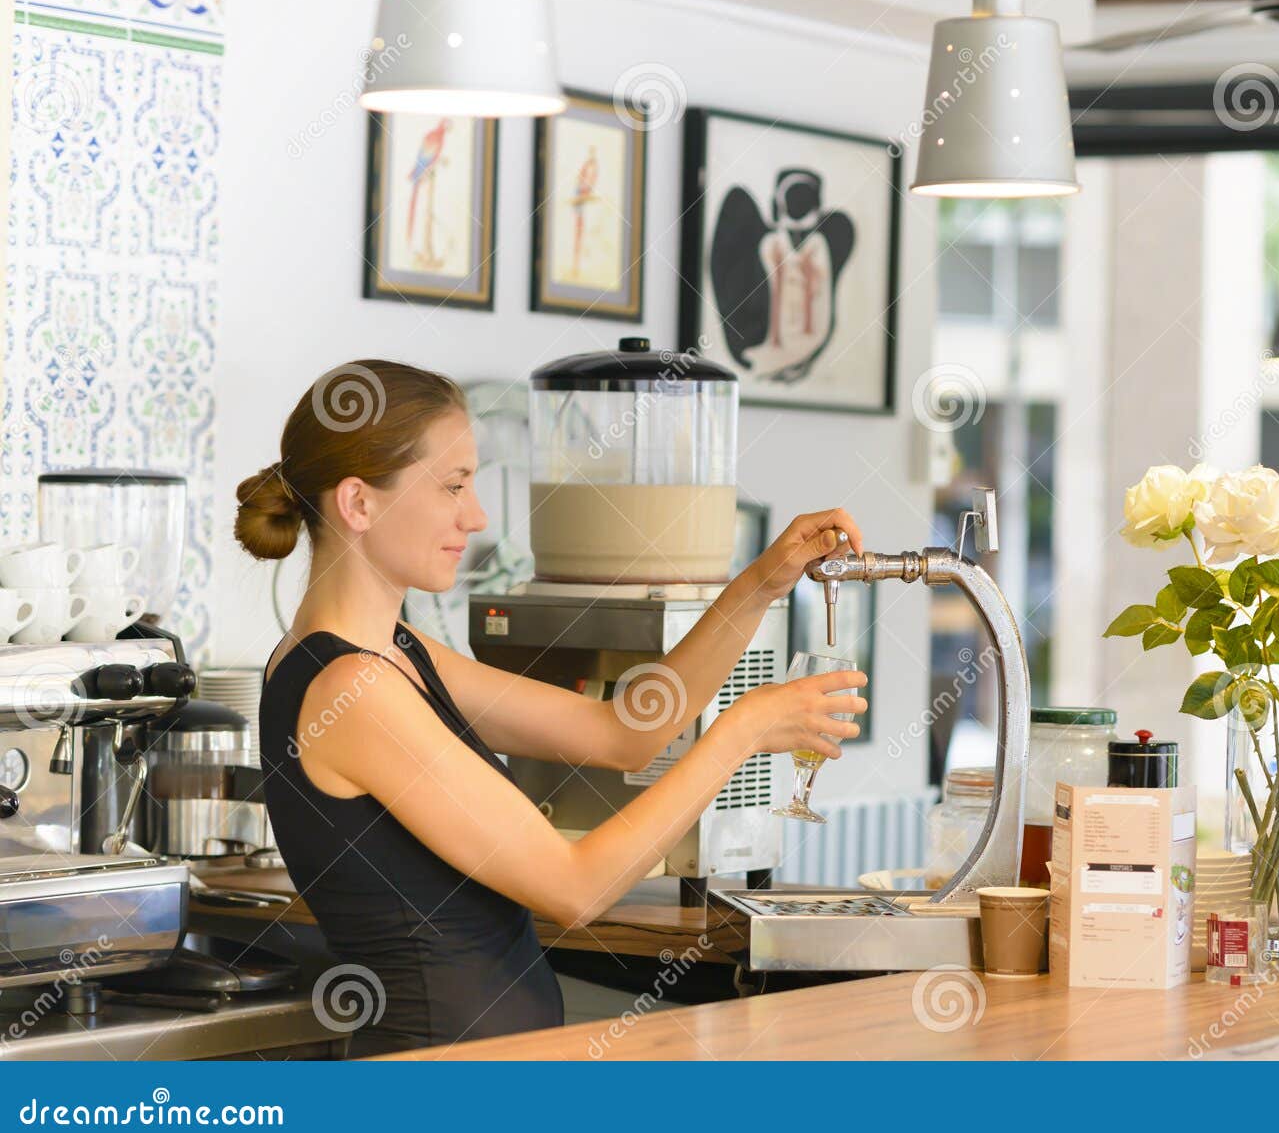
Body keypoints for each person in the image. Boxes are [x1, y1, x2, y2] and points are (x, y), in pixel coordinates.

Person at [233, 360, 867, 1056]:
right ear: (358, 503)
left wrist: (762, 583)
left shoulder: (390, 653)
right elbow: (576, 888)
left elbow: (622, 731)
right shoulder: (353, 690)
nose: (476, 517)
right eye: (453, 486)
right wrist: (740, 729)